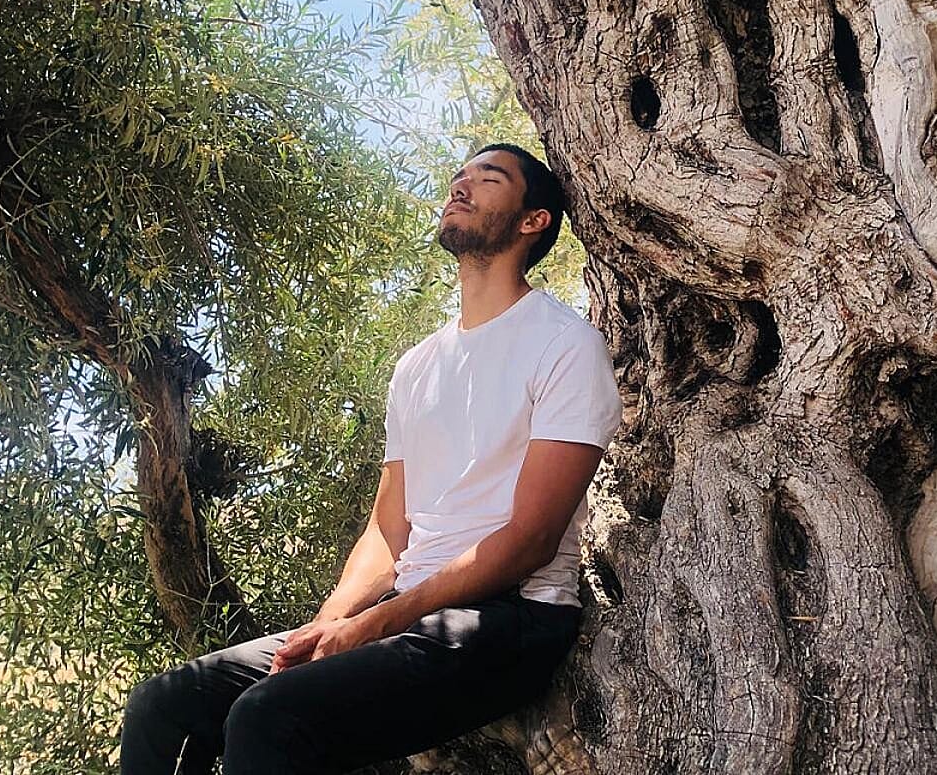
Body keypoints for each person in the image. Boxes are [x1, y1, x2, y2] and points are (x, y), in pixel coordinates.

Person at [121, 143, 624, 775]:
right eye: (459, 175)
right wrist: (326, 627)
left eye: (488, 178)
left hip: (514, 620)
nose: (461, 184)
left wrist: (374, 625)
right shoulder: (417, 367)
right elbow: (390, 531)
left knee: (267, 717)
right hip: (413, 613)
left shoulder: (566, 346)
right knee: (162, 706)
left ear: (533, 221)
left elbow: (529, 541)